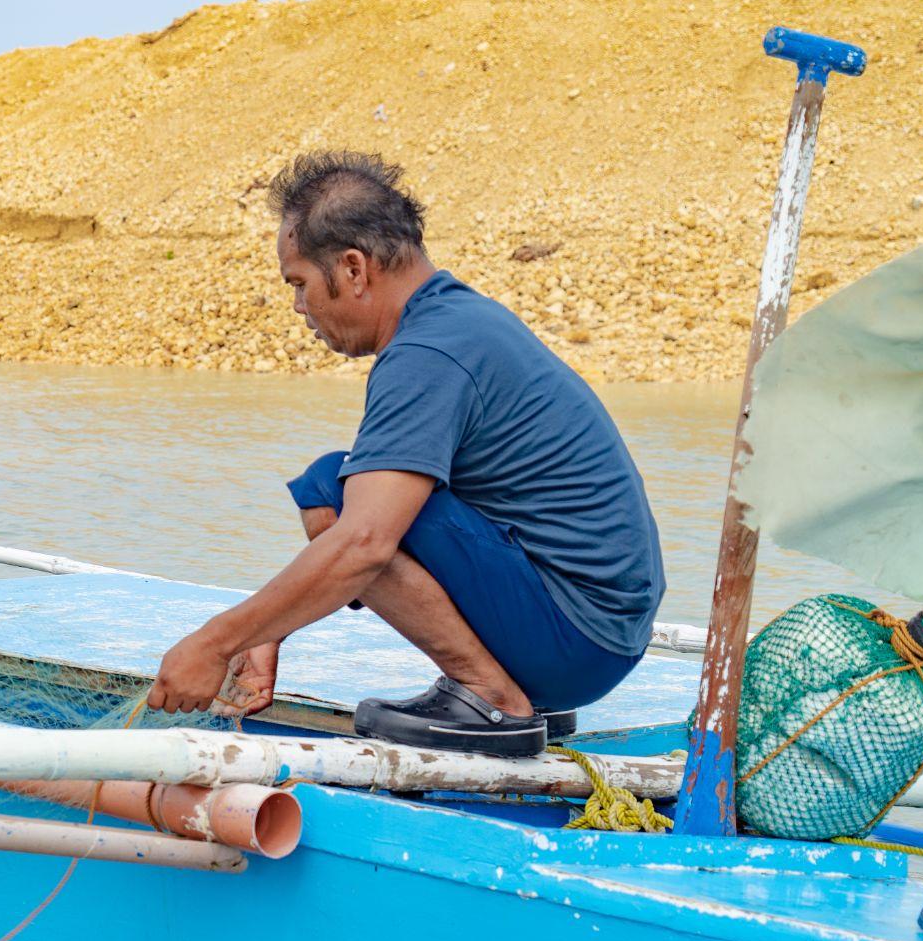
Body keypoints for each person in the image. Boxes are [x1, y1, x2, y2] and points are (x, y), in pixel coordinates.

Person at [146, 152, 664, 756]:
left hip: (575, 639)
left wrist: (215, 642)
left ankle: (492, 699)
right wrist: (266, 632)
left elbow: (362, 541)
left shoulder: (428, 354)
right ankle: (510, 688)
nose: (298, 307)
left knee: (332, 496)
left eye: (299, 284)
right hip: (601, 637)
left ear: (353, 269)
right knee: (353, 490)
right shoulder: (459, 320)